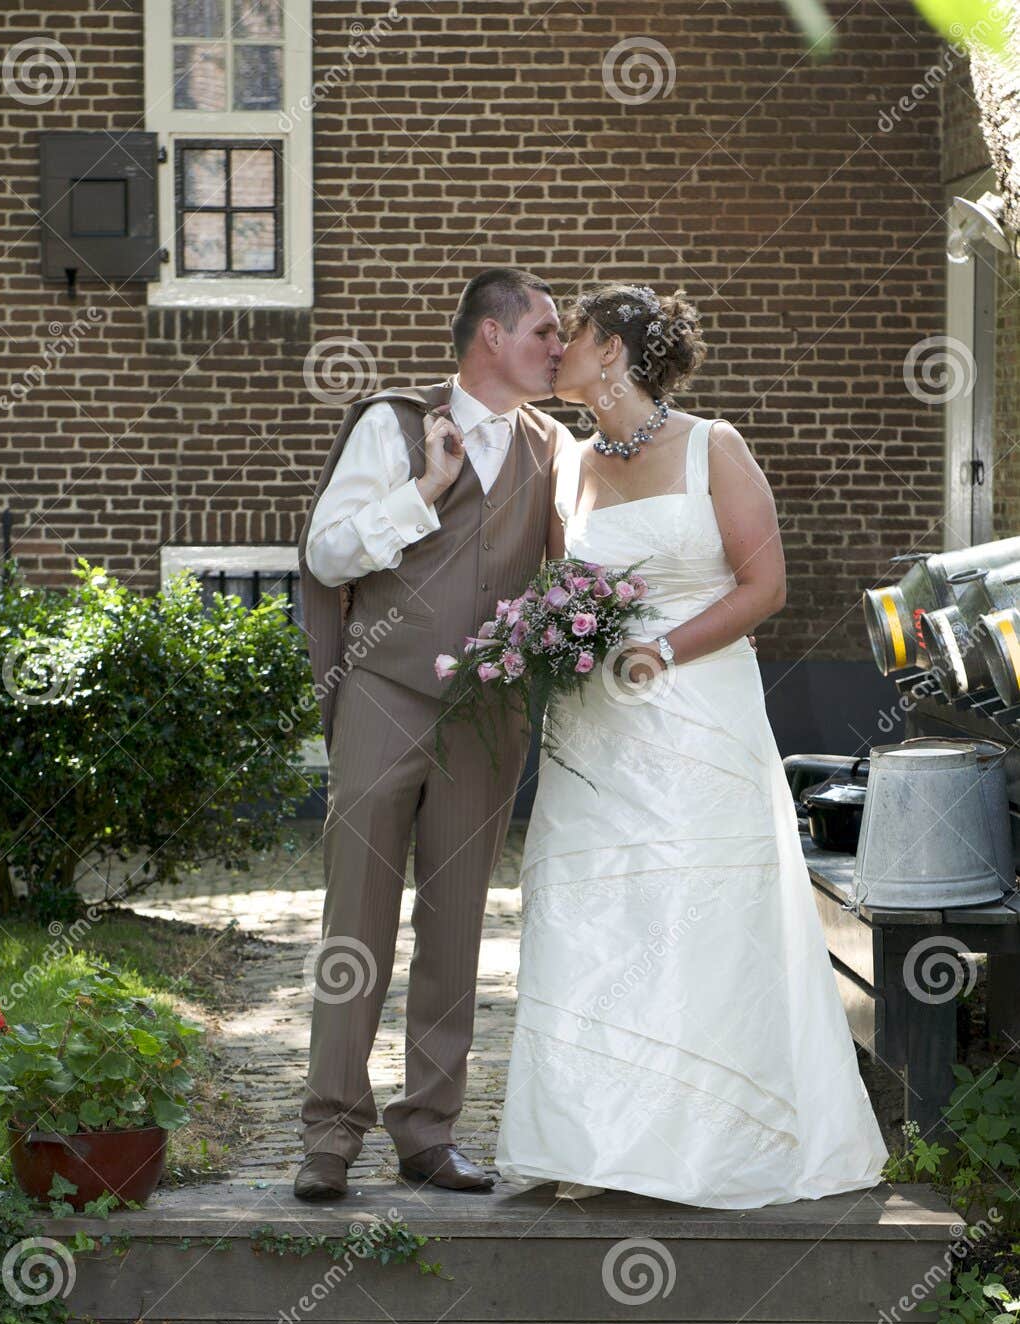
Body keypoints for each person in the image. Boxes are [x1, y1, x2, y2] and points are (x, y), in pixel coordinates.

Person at [494, 282, 889, 1207]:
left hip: (698, 706)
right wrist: (554, 639)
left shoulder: (716, 445)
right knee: (593, 909)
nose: (558, 352)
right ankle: (594, 1140)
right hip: (595, 725)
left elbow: (765, 585)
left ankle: (708, 1137)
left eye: (575, 336)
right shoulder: (569, 463)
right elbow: (563, 586)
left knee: (701, 906)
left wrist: (662, 649)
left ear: (618, 352)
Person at [293, 268, 572, 1201]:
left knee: (456, 929)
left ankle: (429, 1132)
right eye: (544, 331)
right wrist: (427, 487)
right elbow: (327, 553)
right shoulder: (394, 424)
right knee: (355, 923)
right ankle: (329, 1134)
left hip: (489, 714)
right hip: (385, 692)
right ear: (490, 336)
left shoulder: (553, 443)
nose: (558, 348)